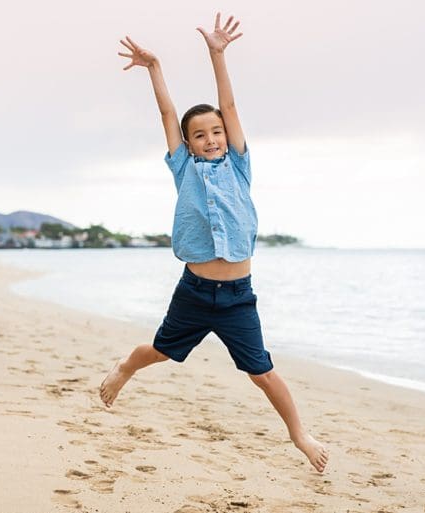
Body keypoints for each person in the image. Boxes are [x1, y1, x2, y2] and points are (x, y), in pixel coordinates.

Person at [100, 13, 329, 474]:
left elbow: (229, 104)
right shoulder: (183, 168)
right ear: (187, 143)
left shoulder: (240, 165)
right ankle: (125, 367)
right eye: (200, 135)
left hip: (238, 299)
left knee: (261, 372)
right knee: (161, 351)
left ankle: (299, 434)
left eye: (216, 132)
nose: (210, 139)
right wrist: (155, 67)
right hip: (195, 292)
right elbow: (168, 113)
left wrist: (216, 53)